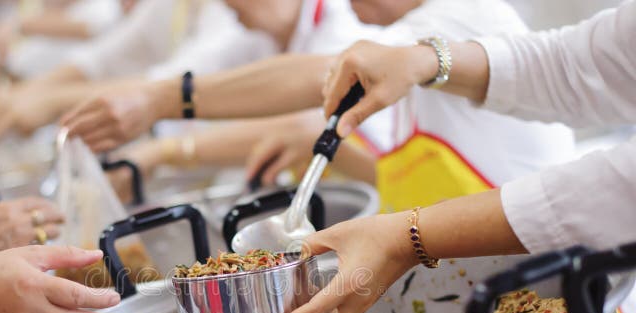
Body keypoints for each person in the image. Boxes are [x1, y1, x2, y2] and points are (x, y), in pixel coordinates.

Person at [268, 1, 636, 313]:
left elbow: (617, 191)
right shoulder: (413, 55)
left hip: (560, 301)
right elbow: (570, 66)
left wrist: (405, 237)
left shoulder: (456, 13)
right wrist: (429, 60)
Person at [62, 0, 574, 213]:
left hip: (548, 277)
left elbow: (329, 75)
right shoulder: (405, 40)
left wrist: (163, 103)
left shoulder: (459, 16)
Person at [0, 0, 279, 139]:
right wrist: (35, 91)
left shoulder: (233, 14)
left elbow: (179, 78)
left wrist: (51, 100)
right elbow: (103, 56)